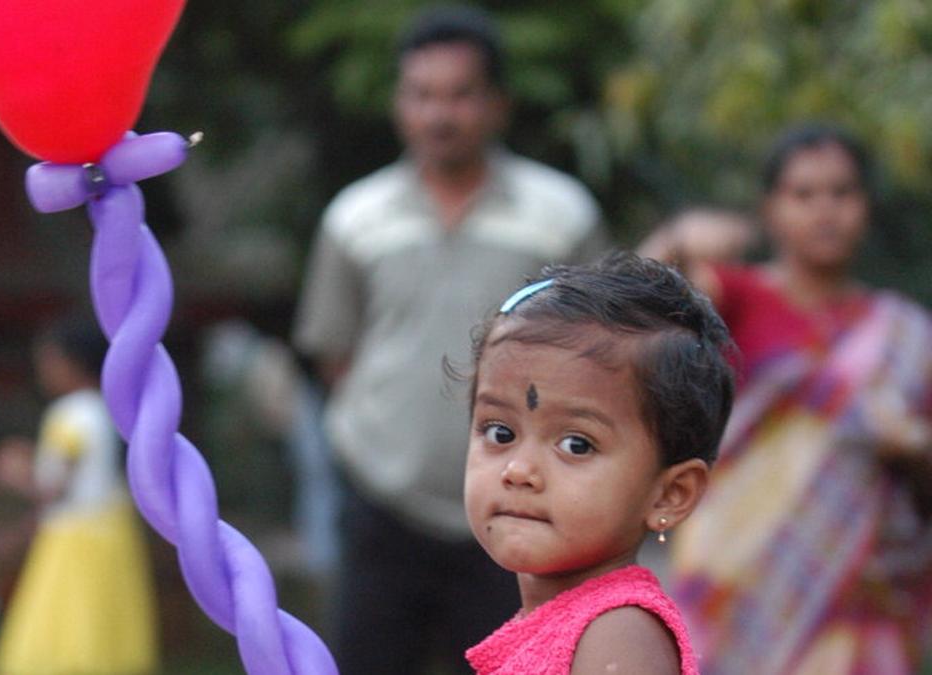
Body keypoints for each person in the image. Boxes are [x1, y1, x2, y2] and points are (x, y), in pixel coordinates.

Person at [292, 6, 607, 671]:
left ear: (497, 104)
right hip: (382, 501)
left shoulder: (560, 215)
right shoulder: (355, 218)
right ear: (400, 104)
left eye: (460, 94)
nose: (440, 114)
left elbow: (598, 358)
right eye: (422, 94)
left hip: (519, 508)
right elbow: (335, 357)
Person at [642, 124, 932, 674]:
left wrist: (909, 449)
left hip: (861, 601)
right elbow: (625, 310)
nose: (825, 210)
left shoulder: (907, 334)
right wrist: (676, 238)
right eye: (803, 194)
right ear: (771, 209)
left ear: (865, 206)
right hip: (739, 586)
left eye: (842, 193)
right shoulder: (736, 296)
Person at [462, 252, 735, 674]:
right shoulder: (566, 623)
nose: (518, 471)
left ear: (669, 494)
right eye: (500, 433)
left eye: (576, 444)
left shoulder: (620, 633)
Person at [0, 315, 159, 675]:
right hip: (110, 534)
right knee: (102, 633)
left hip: (73, 542)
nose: (43, 371)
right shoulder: (104, 409)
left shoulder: (67, 414)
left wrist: (12, 472)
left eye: (49, 361)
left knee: (64, 638)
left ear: (72, 361)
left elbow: (53, 488)